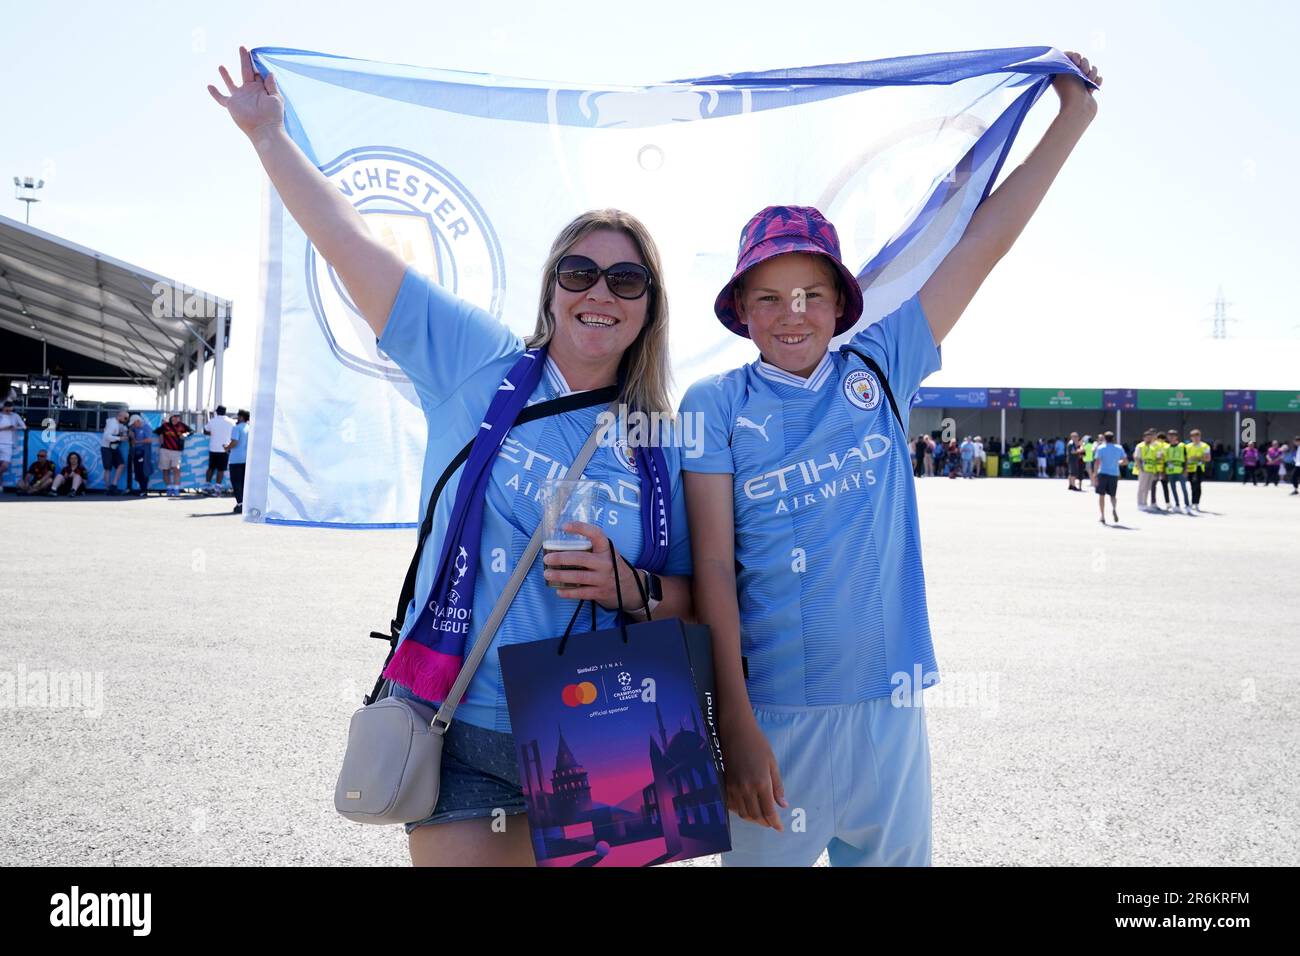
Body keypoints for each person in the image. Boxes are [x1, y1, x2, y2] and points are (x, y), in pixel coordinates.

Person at [210, 46, 698, 867]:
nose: (599, 293)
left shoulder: (663, 440)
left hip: (603, 725)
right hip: (458, 714)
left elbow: (704, 599)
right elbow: (350, 245)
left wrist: (633, 585)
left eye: (626, 280)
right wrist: (267, 137)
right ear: (551, 288)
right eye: (580, 271)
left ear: (650, 308)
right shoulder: (476, 361)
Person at [680, 51, 1102, 868]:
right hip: (773, 714)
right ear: (740, 311)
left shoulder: (883, 362)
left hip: (890, 710)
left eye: (810, 293)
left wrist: (1069, 121)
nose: (790, 313)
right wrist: (733, 718)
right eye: (767, 296)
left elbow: (986, 240)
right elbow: (713, 566)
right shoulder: (714, 404)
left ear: (842, 302)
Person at [1090, 431, 1126, 524]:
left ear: (1105, 439)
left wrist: (1094, 474)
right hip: (1114, 473)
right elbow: (1125, 461)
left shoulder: (1101, 448)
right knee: (1113, 495)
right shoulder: (1119, 448)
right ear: (1113, 438)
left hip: (1103, 473)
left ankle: (1102, 516)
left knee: (1101, 495)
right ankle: (1114, 508)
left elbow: (1097, 462)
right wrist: (1118, 463)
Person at [154, 413, 192, 497]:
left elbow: (191, 431)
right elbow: (156, 431)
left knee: (176, 468)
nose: (175, 419)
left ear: (179, 418)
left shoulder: (182, 425)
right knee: (165, 469)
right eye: (174, 417)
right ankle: (169, 488)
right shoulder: (165, 425)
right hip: (165, 450)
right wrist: (161, 435)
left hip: (176, 451)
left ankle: (176, 488)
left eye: (177, 417)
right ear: (171, 418)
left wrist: (186, 434)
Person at [202, 405, 234, 495]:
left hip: (213, 447)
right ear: (225, 412)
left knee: (211, 468)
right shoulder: (231, 421)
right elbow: (234, 433)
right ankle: (217, 488)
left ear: (217, 412)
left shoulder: (212, 421)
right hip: (225, 448)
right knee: (221, 469)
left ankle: (207, 486)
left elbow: (205, 431)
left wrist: (212, 433)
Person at [99, 409, 129, 494]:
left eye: (127, 418)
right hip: (107, 448)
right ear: (119, 416)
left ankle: (114, 485)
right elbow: (106, 436)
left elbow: (124, 429)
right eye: (125, 418)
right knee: (108, 469)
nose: (126, 420)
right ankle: (108, 488)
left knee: (121, 465)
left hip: (114, 448)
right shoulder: (112, 423)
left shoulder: (120, 423)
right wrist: (120, 438)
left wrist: (125, 433)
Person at [227, 410, 250, 514]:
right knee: (244, 482)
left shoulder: (236, 428)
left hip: (236, 459)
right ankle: (246, 503)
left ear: (241, 417)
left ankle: (240, 503)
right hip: (247, 458)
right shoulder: (249, 428)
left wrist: (226, 447)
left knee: (236, 482)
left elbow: (235, 442)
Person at [127, 414, 155, 497]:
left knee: (143, 471)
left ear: (138, 421)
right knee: (137, 471)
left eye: (133, 423)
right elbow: (130, 431)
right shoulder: (134, 427)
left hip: (144, 452)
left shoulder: (147, 427)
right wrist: (131, 434)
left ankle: (144, 490)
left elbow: (149, 440)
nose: (133, 425)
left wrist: (137, 442)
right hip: (136, 452)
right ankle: (141, 489)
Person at [0, 399, 26, 487]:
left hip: (8, 444)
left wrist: (16, 427)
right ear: (3, 408)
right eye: (7, 409)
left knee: (5, 466)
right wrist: (6, 428)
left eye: (11, 409)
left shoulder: (15, 416)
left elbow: (24, 426)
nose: (9, 411)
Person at [1163, 428, 1189, 514]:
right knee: (1173, 489)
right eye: (1169, 436)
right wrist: (1163, 472)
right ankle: (1177, 505)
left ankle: (1187, 505)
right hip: (1170, 471)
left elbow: (1186, 458)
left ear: (1176, 437)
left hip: (1180, 471)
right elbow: (1164, 460)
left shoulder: (1182, 446)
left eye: (1173, 436)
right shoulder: (1166, 447)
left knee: (1184, 488)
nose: (1171, 437)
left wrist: (1185, 470)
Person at [1185, 429, 1211, 511]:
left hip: (1199, 468)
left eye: (1197, 436)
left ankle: (1196, 503)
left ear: (1200, 437)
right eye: (1193, 437)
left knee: (1197, 486)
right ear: (1191, 438)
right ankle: (1192, 502)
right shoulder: (1187, 446)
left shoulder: (1205, 446)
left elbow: (1208, 458)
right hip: (1190, 468)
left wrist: (1197, 458)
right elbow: (1185, 458)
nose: (1195, 438)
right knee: (1192, 486)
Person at [1135, 429, 1159, 512]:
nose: (1149, 439)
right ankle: (1140, 503)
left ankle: (1145, 503)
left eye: (1150, 437)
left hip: (1151, 469)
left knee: (1147, 488)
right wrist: (1141, 468)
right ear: (1144, 438)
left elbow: (1155, 459)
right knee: (1142, 487)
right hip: (1143, 469)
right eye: (1147, 437)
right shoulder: (1140, 446)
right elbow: (1137, 458)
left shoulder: (1153, 447)